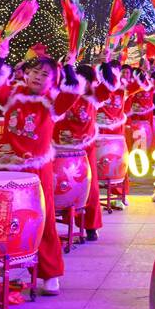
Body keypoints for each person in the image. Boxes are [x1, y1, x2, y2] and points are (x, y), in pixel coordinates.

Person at [0, 43, 78, 295]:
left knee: (42, 221)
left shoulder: (53, 102)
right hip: (7, 168)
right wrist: (0, 56)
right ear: (26, 73)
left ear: (53, 80)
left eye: (45, 74)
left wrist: (70, 68)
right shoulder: (13, 93)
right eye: (35, 71)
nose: (38, 76)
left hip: (37, 171)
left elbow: (71, 94)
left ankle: (50, 273)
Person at [55, 62, 104, 240]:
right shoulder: (66, 95)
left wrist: (105, 62)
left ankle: (91, 226)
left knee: (90, 189)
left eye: (87, 81)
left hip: (85, 150)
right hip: (61, 149)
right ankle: (66, 220)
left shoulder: (94, 97)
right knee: (63, 186)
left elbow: (108, 86)